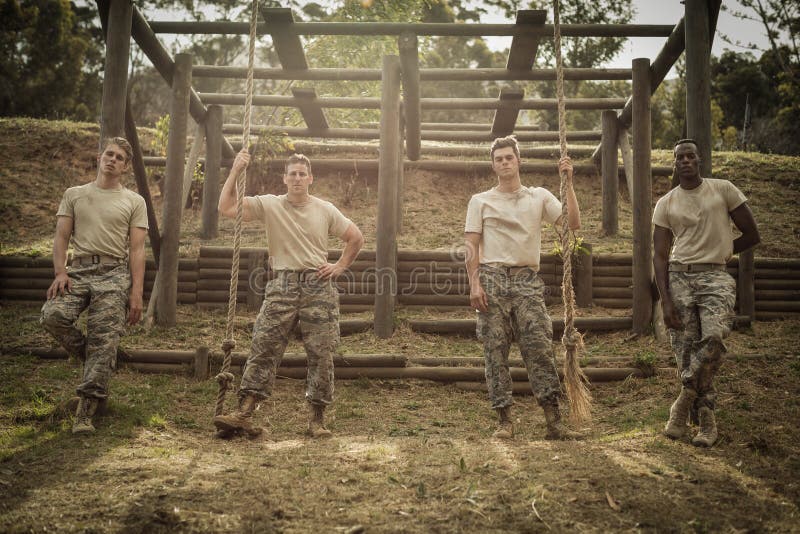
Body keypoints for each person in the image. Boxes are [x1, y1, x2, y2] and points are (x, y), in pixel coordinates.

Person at [213, 149, 364, 439]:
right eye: (292, 173)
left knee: (321, 352)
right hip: (282, 283)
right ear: (284, 178)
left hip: (318, 285)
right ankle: (245, 411)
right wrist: (235, 170)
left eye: (302, 174)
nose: (296, 178)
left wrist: (340, 266)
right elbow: (227, 207)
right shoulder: (269, 205)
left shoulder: (324, 209)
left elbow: (355, 237)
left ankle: (317, 419)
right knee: (264, 344)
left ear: (310, 178)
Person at [464, 135, 581, 440]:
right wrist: (474, 283)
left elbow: (572, 223)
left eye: (509, 157)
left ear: (518, 160)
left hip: (527, 278)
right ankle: (504, 420)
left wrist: (567, 182)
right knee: (495, 349)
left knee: (539, 345)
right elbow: (471, 245)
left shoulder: (538, 196)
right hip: (492, 278)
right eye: (498, 158)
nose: (504, 162)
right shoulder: (480, 200)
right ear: (493, 165)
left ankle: (554, 420)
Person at [654, 139, 760, 447]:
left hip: (715, 277)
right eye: (679, 158)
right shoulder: (667, 203)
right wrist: (666, 300)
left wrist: (723, 251)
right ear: (674, 164)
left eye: (690, 156)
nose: (685, 161)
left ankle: (684, 398)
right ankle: (706, 421)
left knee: (713, 339)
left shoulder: (723, 189)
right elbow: (659, 255)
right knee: (685, 351)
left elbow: (752, 234)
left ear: (699, 160)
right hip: (679, 277)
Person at [41, 137, 148, 434]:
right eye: (108, 154)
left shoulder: (134, 201)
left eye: (118, 158)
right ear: (100, 157)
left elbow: (138, 250)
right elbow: (61, 237)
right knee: (52, 316)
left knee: (105, 336)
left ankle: (85, 411)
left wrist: (136, 293)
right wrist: (60, 272)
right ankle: (101, 357)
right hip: (77, 271)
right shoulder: (74, 194)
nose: (111, 159)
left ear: (125, 167)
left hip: (113, 274)